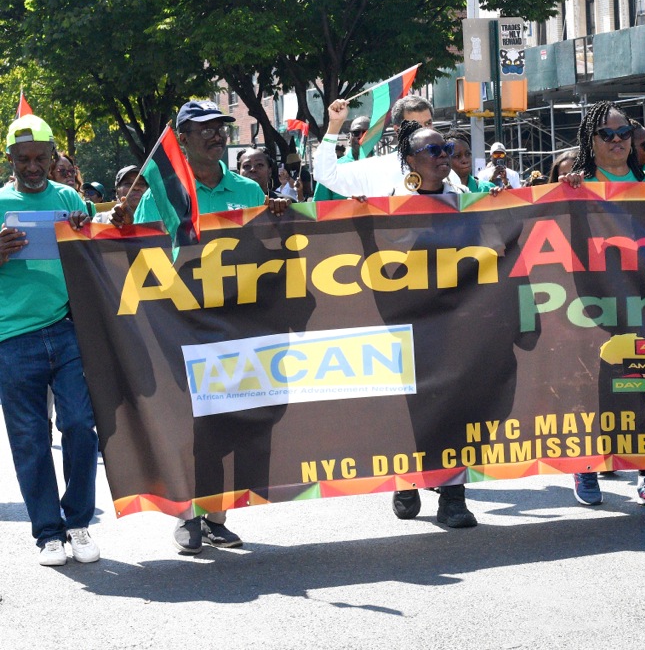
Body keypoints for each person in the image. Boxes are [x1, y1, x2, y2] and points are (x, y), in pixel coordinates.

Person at [115, 99, 288, 553]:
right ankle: (188, 516)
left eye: (221, 127)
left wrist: (280, 221)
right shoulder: (164, 193)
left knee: (230, 419)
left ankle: (217, 515)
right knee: (192, 422)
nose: (217, 135)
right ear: (184, 139)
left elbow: (271, 252)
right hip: (182, 324)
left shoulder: (249, 190)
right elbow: (144, 256)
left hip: (236, 323)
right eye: (205, 129)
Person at [560, 102, 645, 509]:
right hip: (588, 300)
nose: (616, 141)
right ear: (590, 141)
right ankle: (587, 467)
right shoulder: (574, 186)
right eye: (606, 134)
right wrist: (566, 194)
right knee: (591, 385)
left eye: (623, 133)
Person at [0, 114, 101, 567]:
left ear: (54, 154)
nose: (33, 166)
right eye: (24, 159)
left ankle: (78, 523)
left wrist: (87, 231)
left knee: (80, 425)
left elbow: (101, 252)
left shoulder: (70, 198)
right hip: (10, 337)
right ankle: (48, 534)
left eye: (41, 157)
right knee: (29, 439)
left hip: (67, 330)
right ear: (10, 159)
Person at [384, 120, 479, 528]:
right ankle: (406, 480)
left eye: (446, 149)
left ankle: (453, 498)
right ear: (409, 161)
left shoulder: (471, 199)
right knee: (409, 405)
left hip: (455, 320)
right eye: (433, 151)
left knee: (456, 405)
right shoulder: (384, 205)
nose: (444, 157)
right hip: (402, 322)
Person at [316, 95, 460, 197]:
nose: (425, 130)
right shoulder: (375, 169)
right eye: (415, 125)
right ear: (398, 130)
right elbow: (325, 175)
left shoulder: (450, 178)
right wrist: (335, 125)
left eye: (428, 123)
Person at [314, 115, 369, 202]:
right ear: (349, 137)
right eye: (356, 132)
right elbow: (319, 208)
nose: (361, 136)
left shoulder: (384, 168)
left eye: (366, 132)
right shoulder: (331, 170)